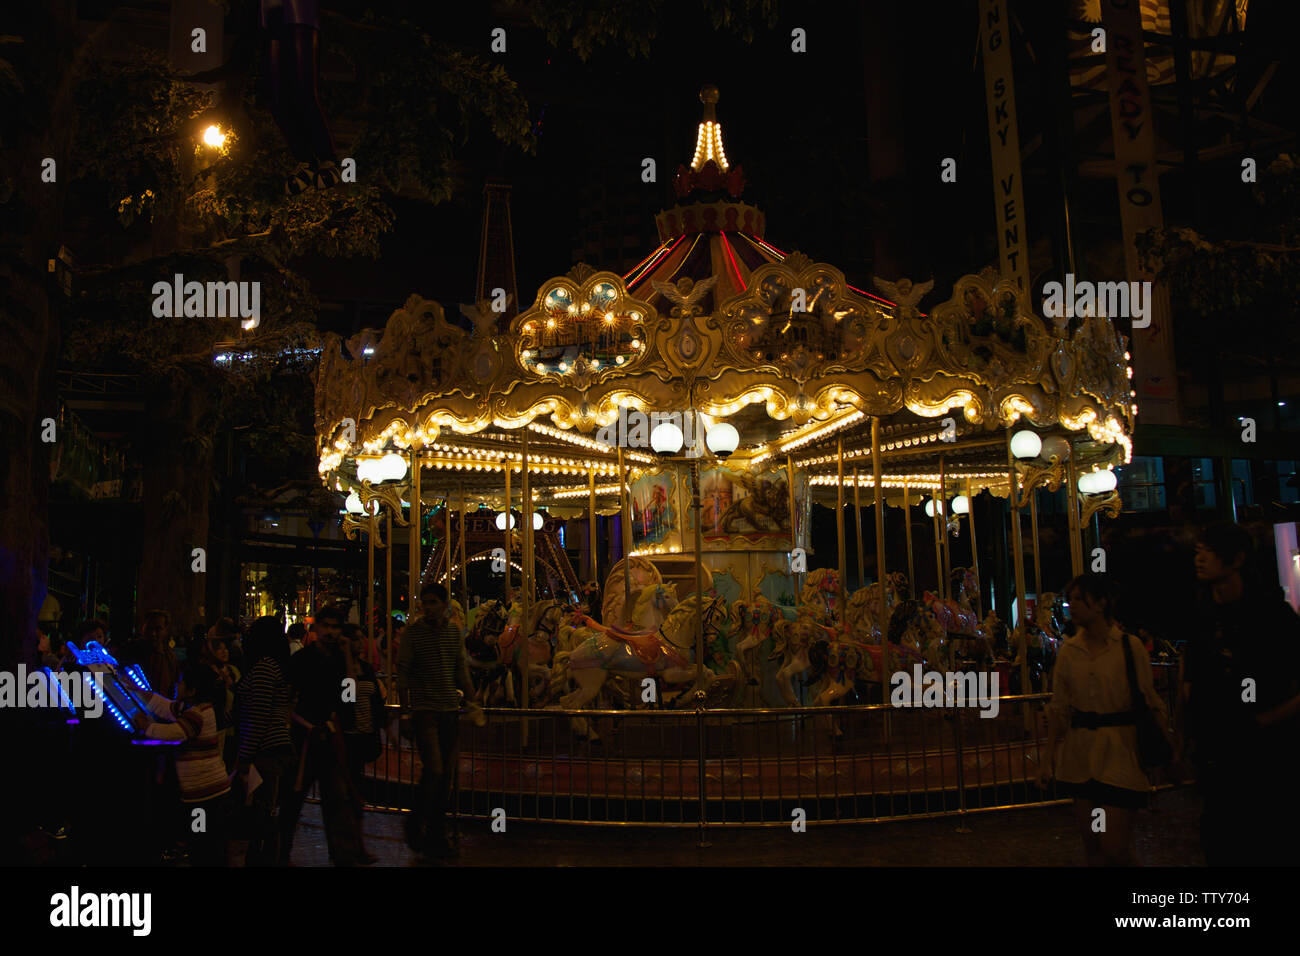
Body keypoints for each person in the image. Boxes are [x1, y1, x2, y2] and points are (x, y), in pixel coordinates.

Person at [1183, 522, 1300, 865]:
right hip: (1218, 753)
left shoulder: (1273, 617)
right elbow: (1191, 677)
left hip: (1268, 757)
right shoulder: (1203, 617)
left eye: (1207, 551)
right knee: (1221, 841)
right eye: (1197, 551)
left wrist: (1267, 719)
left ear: (1235, 560)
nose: (1199, 558)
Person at [1039, 573, 1169, 866]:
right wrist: (1048, 758)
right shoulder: (1070, 652)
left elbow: (1148, 698)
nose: (1071, 606)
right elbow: (1059, 707)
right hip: (1081, 755)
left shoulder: (1129, 646)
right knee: (1093, 845)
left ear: (1099, 604)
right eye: (1069, 599)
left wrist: (1166, 743)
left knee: (1113, 846)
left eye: (1077, 599)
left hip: (1120, 752)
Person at [279, 606, 372, 866]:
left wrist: (346, 656)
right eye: (326, 626)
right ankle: (281, 852)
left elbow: (349, 696)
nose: (330, 632)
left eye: (336, 626)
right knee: (293, 799)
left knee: (336, 801)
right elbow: (287, 697)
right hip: (304, 736)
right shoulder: (301, 659)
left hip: (330, 738)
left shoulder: (341, 659)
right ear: (317, 627)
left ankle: (341, 855)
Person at [398, 583, 479, 860]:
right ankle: (415, 822)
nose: (428, 607)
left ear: (445, 604)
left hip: (448, 709)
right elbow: (404, 672)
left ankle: (435, 832)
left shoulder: (454, 632)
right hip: (426, 710)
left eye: (434, 602)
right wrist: (406, 711)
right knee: (434, 770)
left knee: (445, 775)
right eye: (425, 602)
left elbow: (460, 668)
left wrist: (473, 699)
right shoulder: (413, 634)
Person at [135, 663, 234, 866]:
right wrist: (137, 691)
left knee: (203, 844)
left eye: (180, 682)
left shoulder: (197, 714)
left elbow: (175, 732)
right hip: (207, 794)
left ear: (192, 690)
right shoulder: (193, 708)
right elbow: (165, 706)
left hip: (205, 795)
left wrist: (147, 727)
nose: (175, 685)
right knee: (206, 843)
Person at [236, 616, 295, 866]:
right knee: (267, 812)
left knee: (262, 814)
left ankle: (263, 859)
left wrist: (245, 757)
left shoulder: (263, 668)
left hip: (265, 751)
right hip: (277, 749)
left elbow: (256, 717)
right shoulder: (276, 667)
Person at [123, 610, 181, 698]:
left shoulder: (170, 657)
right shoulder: (129, 651)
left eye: (158, 629)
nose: (153, 633)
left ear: (165, 630)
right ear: (142, 628)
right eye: (149, 629)